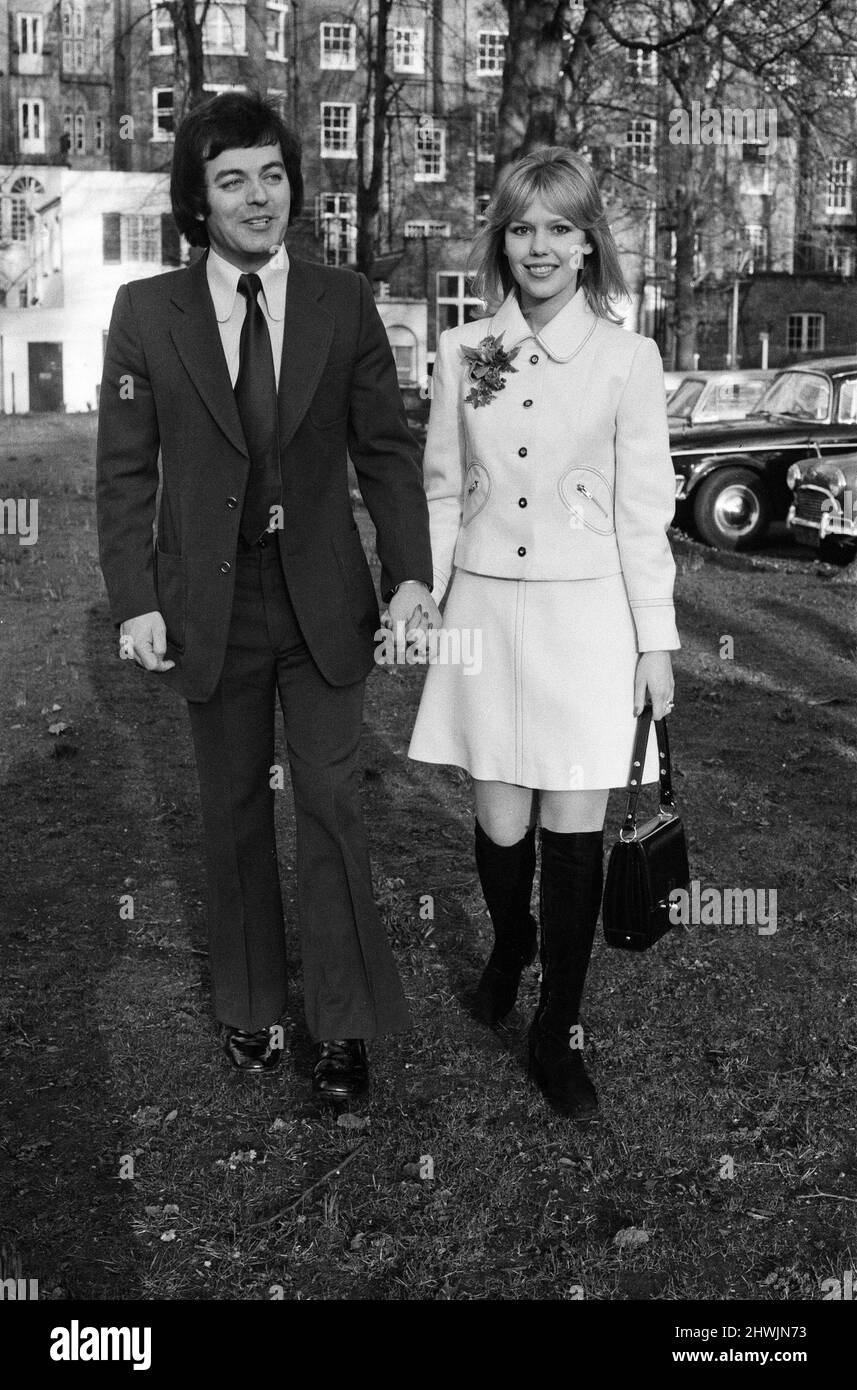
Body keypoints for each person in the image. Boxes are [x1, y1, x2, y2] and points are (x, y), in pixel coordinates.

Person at [96, 93, 440, 1101]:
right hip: (208, 605)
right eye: (231, 179)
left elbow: (383, 449)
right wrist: (135, 600)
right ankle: (250, 1003)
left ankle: (341, 1024)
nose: (256, 197)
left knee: (332, 802)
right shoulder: (143, 312)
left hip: (323, 600)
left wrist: (408, 575)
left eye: (272, 175)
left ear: (295, 187)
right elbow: (124, 472)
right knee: (234, 805)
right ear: (197, 202)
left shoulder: (344, 301)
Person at [408, 146, 679, 1119]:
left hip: (586, 623)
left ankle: (555, 1020)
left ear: (588, 241)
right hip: (483, 615)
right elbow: (441, 489)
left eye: (559, 227)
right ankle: (509, 939)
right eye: (521, 226)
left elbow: (643, 513)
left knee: (572, 832)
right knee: (497, 823)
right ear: (500, 238)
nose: (538, 246)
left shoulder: (626, 358)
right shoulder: (463, 350)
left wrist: (655, 643)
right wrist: (428, 598)